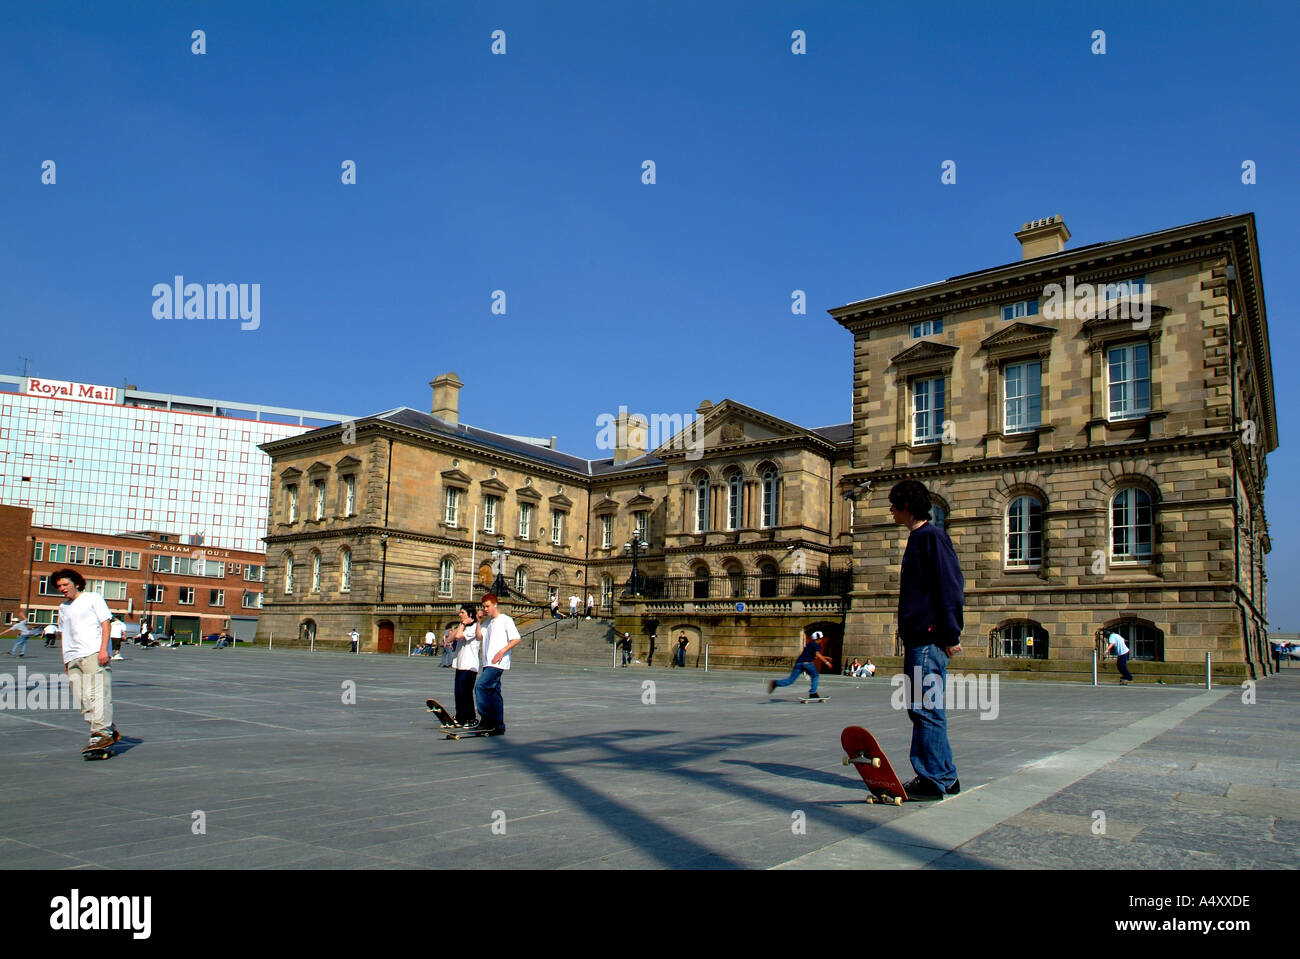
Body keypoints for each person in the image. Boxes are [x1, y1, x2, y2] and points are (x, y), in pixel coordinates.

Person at [891, 479, 963, 800]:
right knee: (927, 707)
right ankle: (946, 775)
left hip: (927, 639)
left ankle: (931, 779)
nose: (890, 510)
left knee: (924, 707)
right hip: (920, 638)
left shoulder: (931, 538)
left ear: (906, 506)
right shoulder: (919, 538)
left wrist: (950, 633)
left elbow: (950, 586)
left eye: (893, 504)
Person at [52, 568, 118, 752]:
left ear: (77, 583)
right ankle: (106, 729)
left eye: (65, 584)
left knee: (98, 693)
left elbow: (106, 623)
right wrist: (66, 661)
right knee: (81, 697)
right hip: (73, 656)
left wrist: (103, 650)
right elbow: (65, 634)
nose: (62, 588)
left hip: (93, 652)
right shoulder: (63, 608)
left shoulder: (92, 598)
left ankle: (101, 732)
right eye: (59, 586)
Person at [474, 593, 521, 736]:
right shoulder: (488, 623)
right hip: (488, 662)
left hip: (498, 663)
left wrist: (502, 651)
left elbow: (516, 638)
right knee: (494, 694)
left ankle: (487, 719)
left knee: (480, 686)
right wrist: (478, 621)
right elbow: (478, 636)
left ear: (495, 604)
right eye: (484, 607)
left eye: (487, 606)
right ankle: (499, 725)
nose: (485, 609)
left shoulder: (505, 620)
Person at [767, 630, 832, 698]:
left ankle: (775, 683)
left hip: (799, 663)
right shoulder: (817, 645)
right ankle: (813, 693)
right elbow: (817, 654)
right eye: (821, 638)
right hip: (807, 663)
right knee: (815, 676)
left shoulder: (809, 644)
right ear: (818, 639)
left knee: (790, 680)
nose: (821, 640)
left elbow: (814, 656)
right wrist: (826, 662)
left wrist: (825, 657)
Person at [449, 604, 481, 727]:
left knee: (466, 692)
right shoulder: (463, 626)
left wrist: (462, 625)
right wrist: (461, 625)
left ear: (470, 615)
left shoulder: (474, 628)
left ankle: (470, 718)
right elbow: (451, 638)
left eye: (462, 612)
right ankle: (460, 716)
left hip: (469, 665)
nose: (459, 615)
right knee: (458, 692)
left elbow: (458, 636)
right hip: (460, 664)